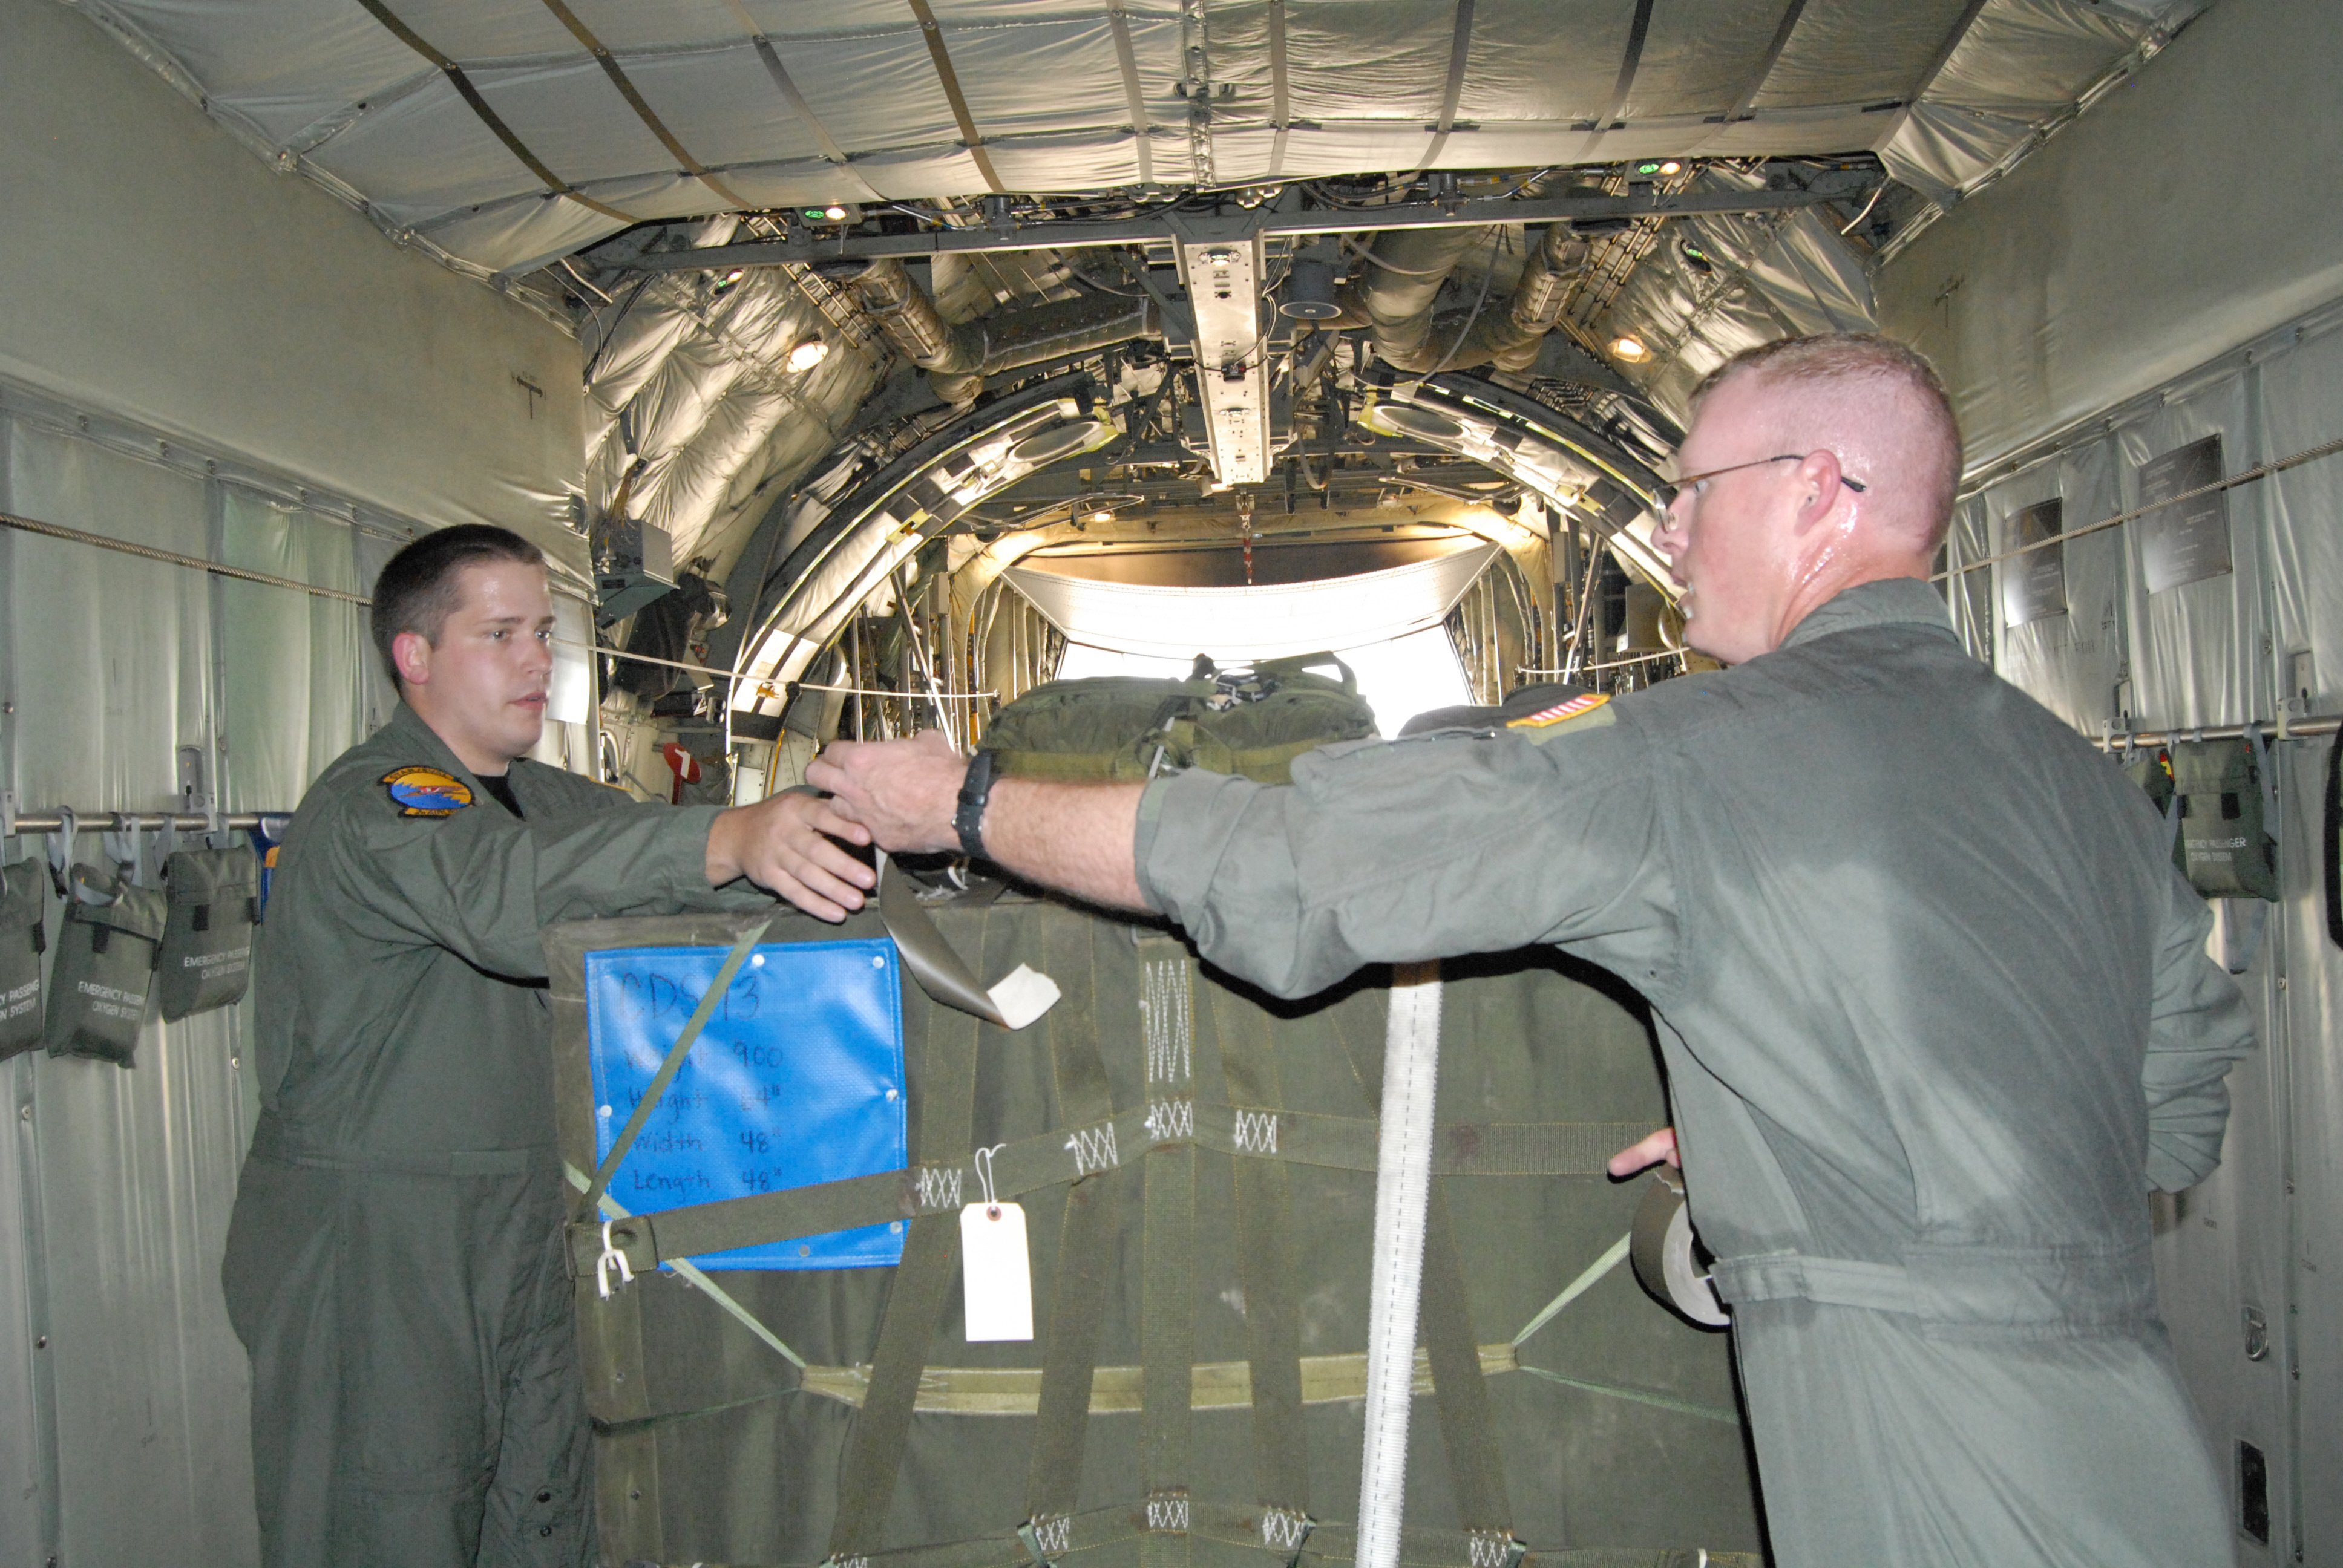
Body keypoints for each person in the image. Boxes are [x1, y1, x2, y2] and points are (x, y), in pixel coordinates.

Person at [807, 334, 2255, 1566]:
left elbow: (1294, 870)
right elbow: (2175, 1114)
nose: (1669, 536)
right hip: (2134, 1436)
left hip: (1923, 1453)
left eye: (1691, 492)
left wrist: (964, 802)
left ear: (1817, 491)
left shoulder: (1687, 759)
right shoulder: (2081, 781)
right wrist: (1813, 1130)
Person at [220, 524, 877, 1568]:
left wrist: (826, 838)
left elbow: (651, 886)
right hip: (384, 1240)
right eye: (501, 635)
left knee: (543, 1505)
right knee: (391, 1511)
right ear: (415, 657)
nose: (540, 661)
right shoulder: (380, 801)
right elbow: (501, 900)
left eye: (544, 632)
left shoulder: (552, 801)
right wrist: (723, 840)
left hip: (528, 1220)